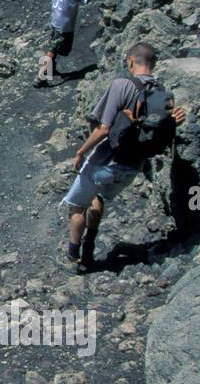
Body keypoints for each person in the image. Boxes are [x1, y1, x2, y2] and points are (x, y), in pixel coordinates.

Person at [61, 41, 187, 271]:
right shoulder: (161, 93)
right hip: (133, 166)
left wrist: (81, 152)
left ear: (131, 61)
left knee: (77, 208)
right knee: (98, 198)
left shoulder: (122, 85)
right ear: (153, 63)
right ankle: (89, 249)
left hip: (107, 161)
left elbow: (104, 128)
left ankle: (73, 257)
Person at [35, 0, 122, 87]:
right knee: (52, 49)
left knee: (54, 45)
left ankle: (50, 70)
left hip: (56, 16)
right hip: (64, 21)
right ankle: (41, 78)